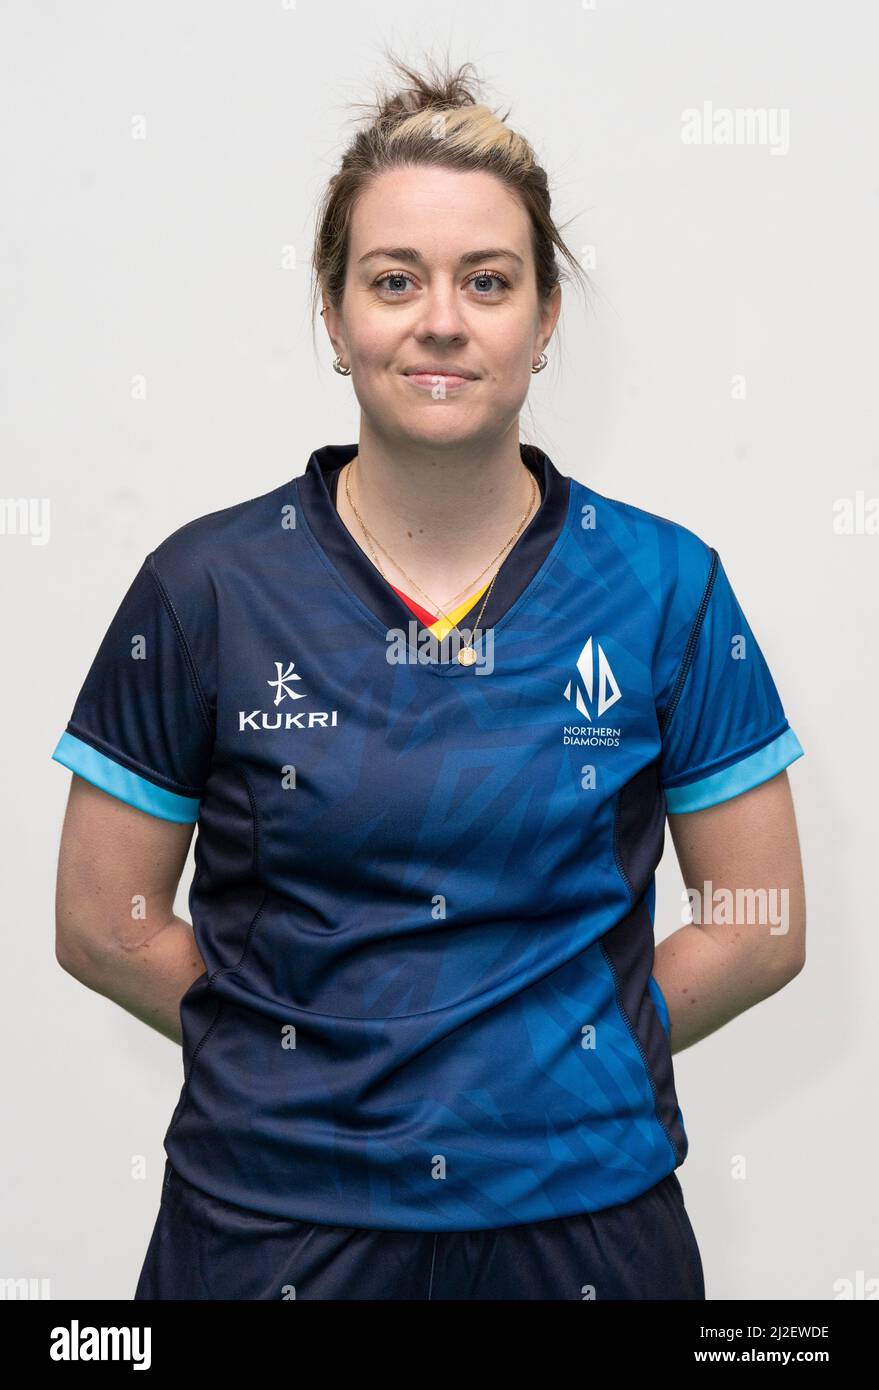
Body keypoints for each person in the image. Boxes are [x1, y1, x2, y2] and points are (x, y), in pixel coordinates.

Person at [50, 53, 806, 1301]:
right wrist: (298, 1062)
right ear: (336, 314)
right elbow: (100, 923)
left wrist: (556, 1064)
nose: (440, 319)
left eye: (488, 282)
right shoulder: (207, 588)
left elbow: (760, 924)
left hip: (587, 1233)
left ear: (547, 318)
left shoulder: (669, 587)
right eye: (394, 280)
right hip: (270, 1231)